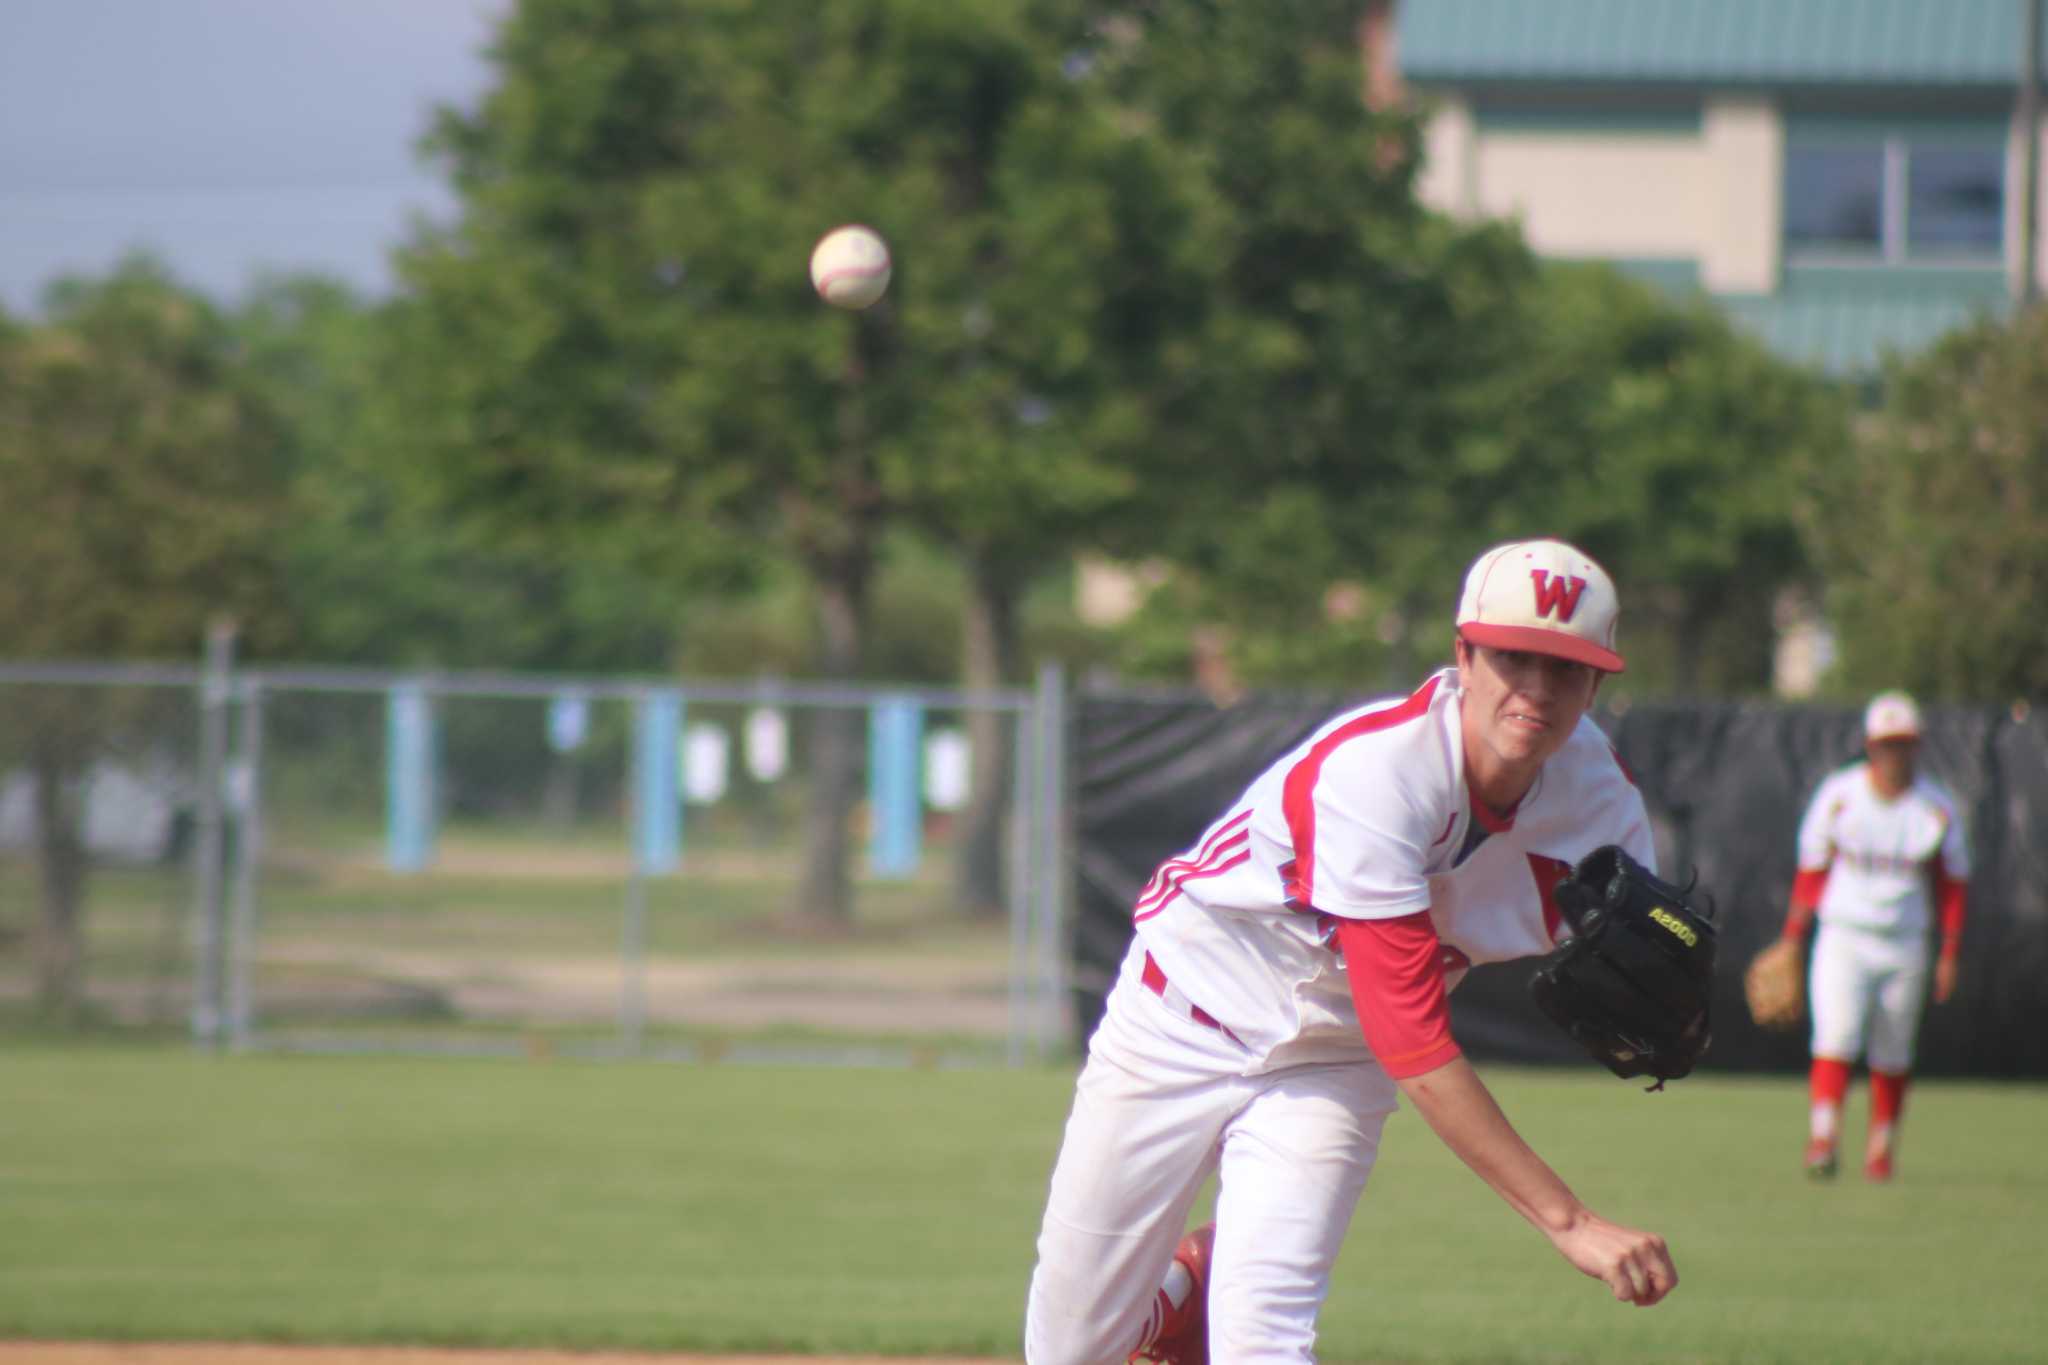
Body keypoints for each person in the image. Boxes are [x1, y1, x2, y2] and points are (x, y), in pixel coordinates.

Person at [1024, 539, 1680, 1365]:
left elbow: (1642, 954)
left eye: (1567, 667)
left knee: (1265, 1340)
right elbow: (1413, 1039)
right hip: (1183, 1018)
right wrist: (1570, 1220)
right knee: (1072, 1349)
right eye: (1515, 656)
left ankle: (1207, 1301)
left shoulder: (1605, 809)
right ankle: (1176, 1301)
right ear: (1464, 657)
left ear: (1598, 683)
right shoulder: (1380, 773)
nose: (1538, 689)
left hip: (1331, 1061)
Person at [1780, 691, 1969, 1183]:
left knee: (1894, 1048)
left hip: (1906, 941)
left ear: (1917, 746)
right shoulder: (1841, 795)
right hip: (1844, 935)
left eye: (1903, 743)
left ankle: (1882, 1148)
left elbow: (1952, 886)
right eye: (1886, 744)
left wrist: (1949, 951)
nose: (1894, 753)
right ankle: (1823, 1138)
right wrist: (1791, 938)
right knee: (1836, 1036)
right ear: (1869, 745)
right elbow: (1812, 871)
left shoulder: (1936, 808)